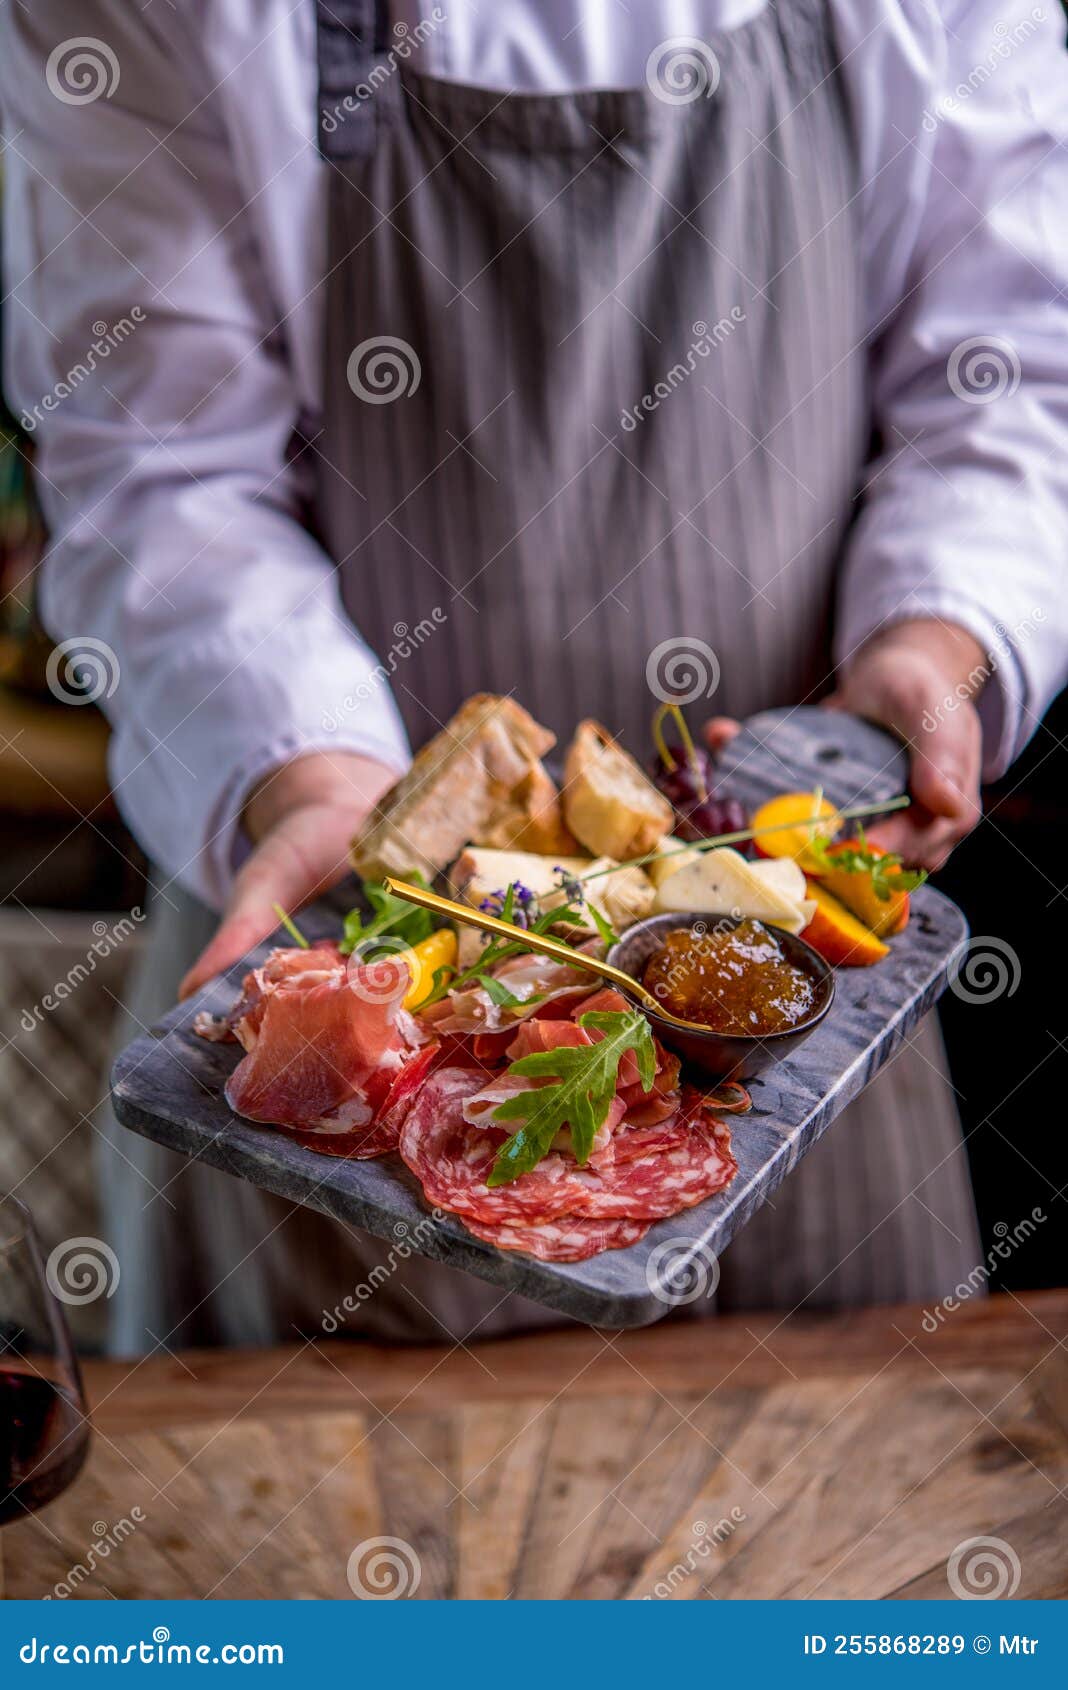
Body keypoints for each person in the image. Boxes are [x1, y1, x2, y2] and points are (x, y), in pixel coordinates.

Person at [3, 0, 1066, 1354]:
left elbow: (1013, 366)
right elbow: (154, 458)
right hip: (350, 970)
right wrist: (310, 775)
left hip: (797, 1007)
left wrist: (935, 639)